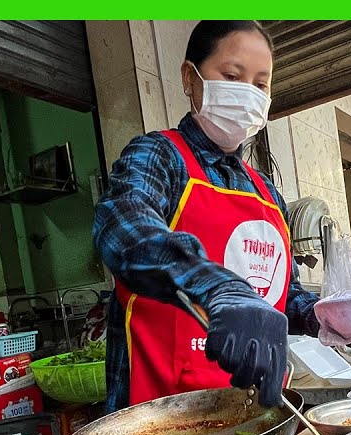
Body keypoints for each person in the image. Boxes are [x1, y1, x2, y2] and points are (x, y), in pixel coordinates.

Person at [93, 21, 320, 412]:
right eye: (232, 76)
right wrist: (216, 288)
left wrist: (329, 317)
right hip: (161, 421)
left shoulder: (267, 190)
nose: (248, 92)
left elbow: (283, 299)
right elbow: (124, 226)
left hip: (257, 412)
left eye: (261, 84)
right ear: (190, 77)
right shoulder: (159, 155)